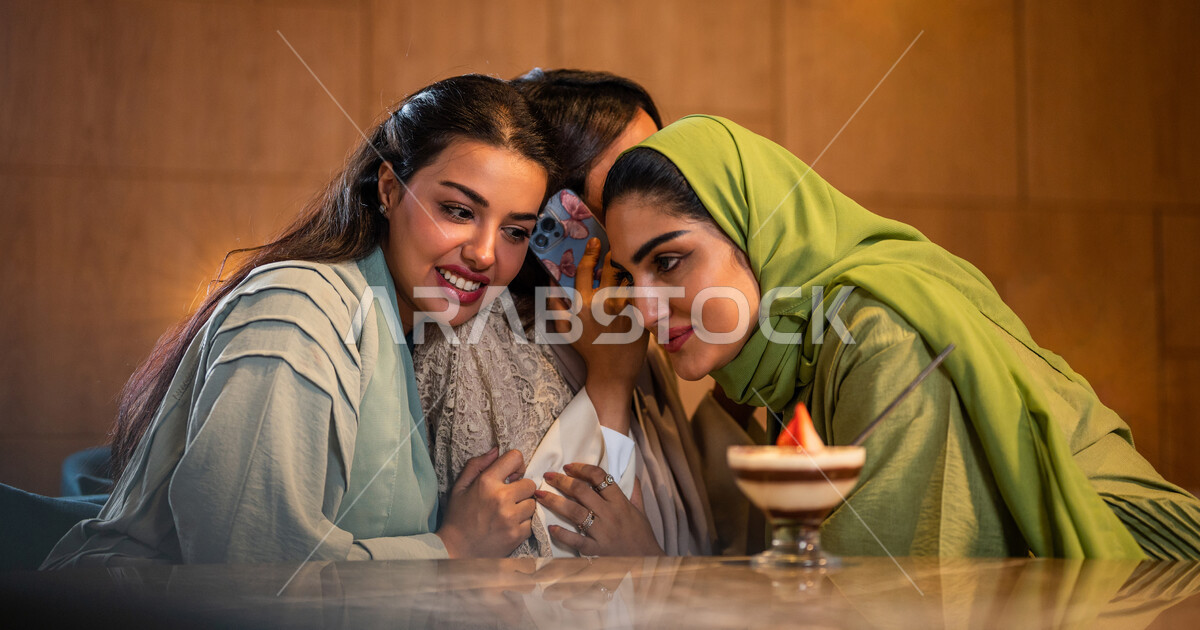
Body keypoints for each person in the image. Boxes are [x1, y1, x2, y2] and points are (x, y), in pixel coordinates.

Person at [599, 114, 1200, 560]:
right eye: (628, 276)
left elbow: (881, 599)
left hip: (1146, 584)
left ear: (759, 235)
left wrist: (655, 572)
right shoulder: (778, 369)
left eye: (670, 262)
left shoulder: (880, 337)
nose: (645, 310)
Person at [42, 74, 559, 567]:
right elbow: (249, 567)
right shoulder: (298, 308)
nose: (486, 254)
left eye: (515, 231)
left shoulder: (405, 333)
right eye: (458, 211)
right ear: (388, 188)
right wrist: (452, 550)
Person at [413, 69, 751, 558]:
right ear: (552, 208)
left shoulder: (637, 338)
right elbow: (546, 572)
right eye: (626, 179)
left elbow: (690, 530)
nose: (661, 198)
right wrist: (609, 382)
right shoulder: (471, 352)